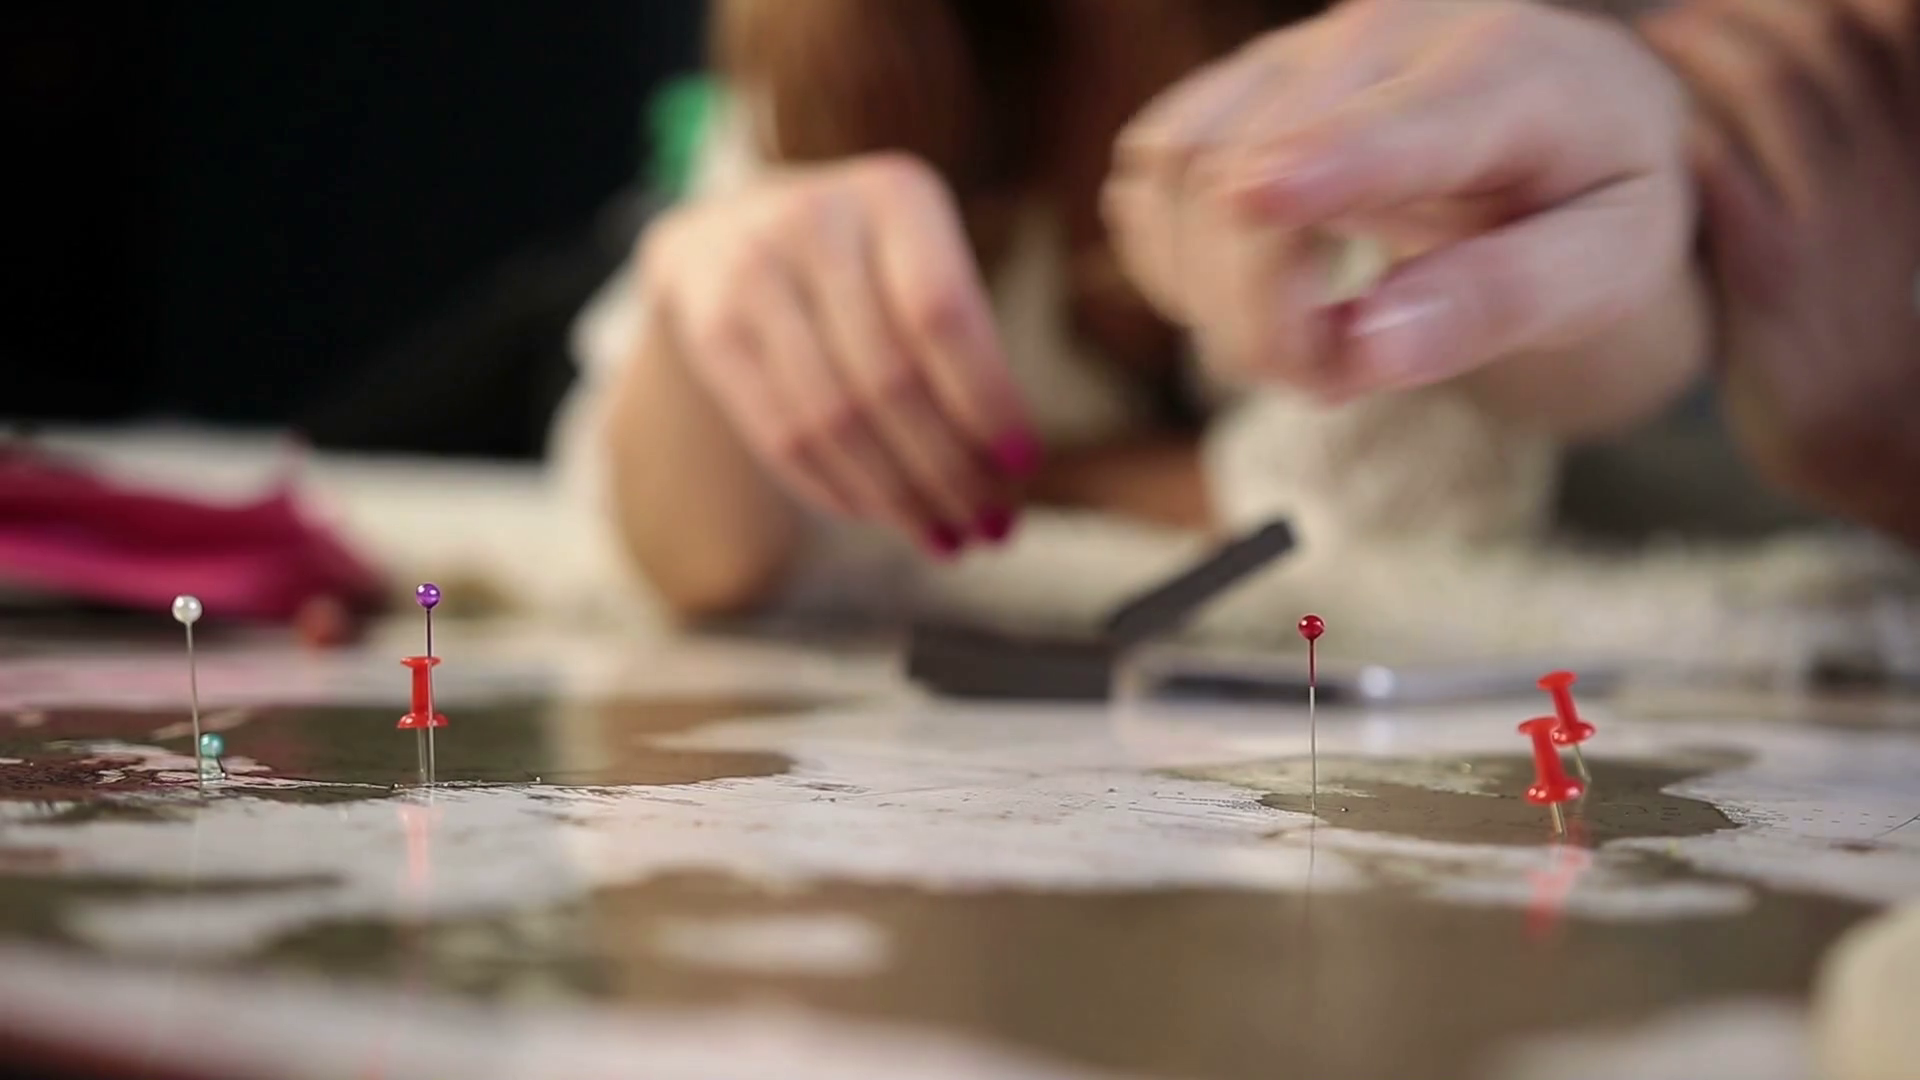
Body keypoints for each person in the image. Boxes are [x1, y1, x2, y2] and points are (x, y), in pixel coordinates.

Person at [548, 0, 1913, 659]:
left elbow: (1375, 531)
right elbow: (698, 547)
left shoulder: (1436, 57)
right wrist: (698, 288)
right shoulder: (871, 47)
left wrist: (957, 478)